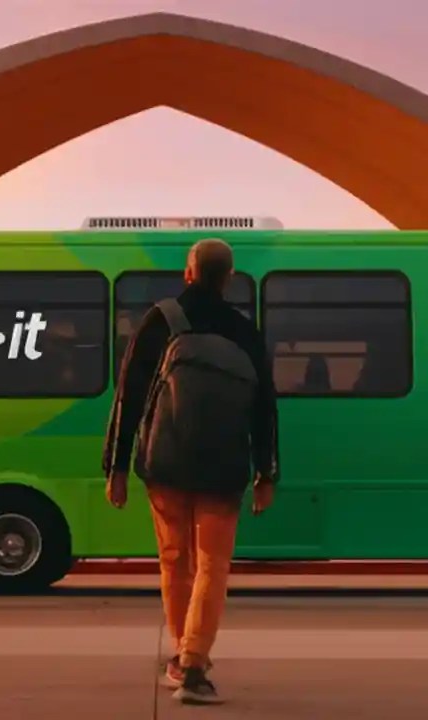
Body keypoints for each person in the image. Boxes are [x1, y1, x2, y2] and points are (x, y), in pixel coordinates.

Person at [102, 238, 279, 705]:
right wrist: (266, 473)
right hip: (224, 469)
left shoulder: (162, 320)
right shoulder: (244, 331)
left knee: (174, 561)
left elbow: (129, 395)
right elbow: (264, 408)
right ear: (228, 278)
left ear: (188, 273)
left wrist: (116, 466)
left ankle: (183, 656)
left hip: (165, 464)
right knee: (211, 566)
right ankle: (194, 663)